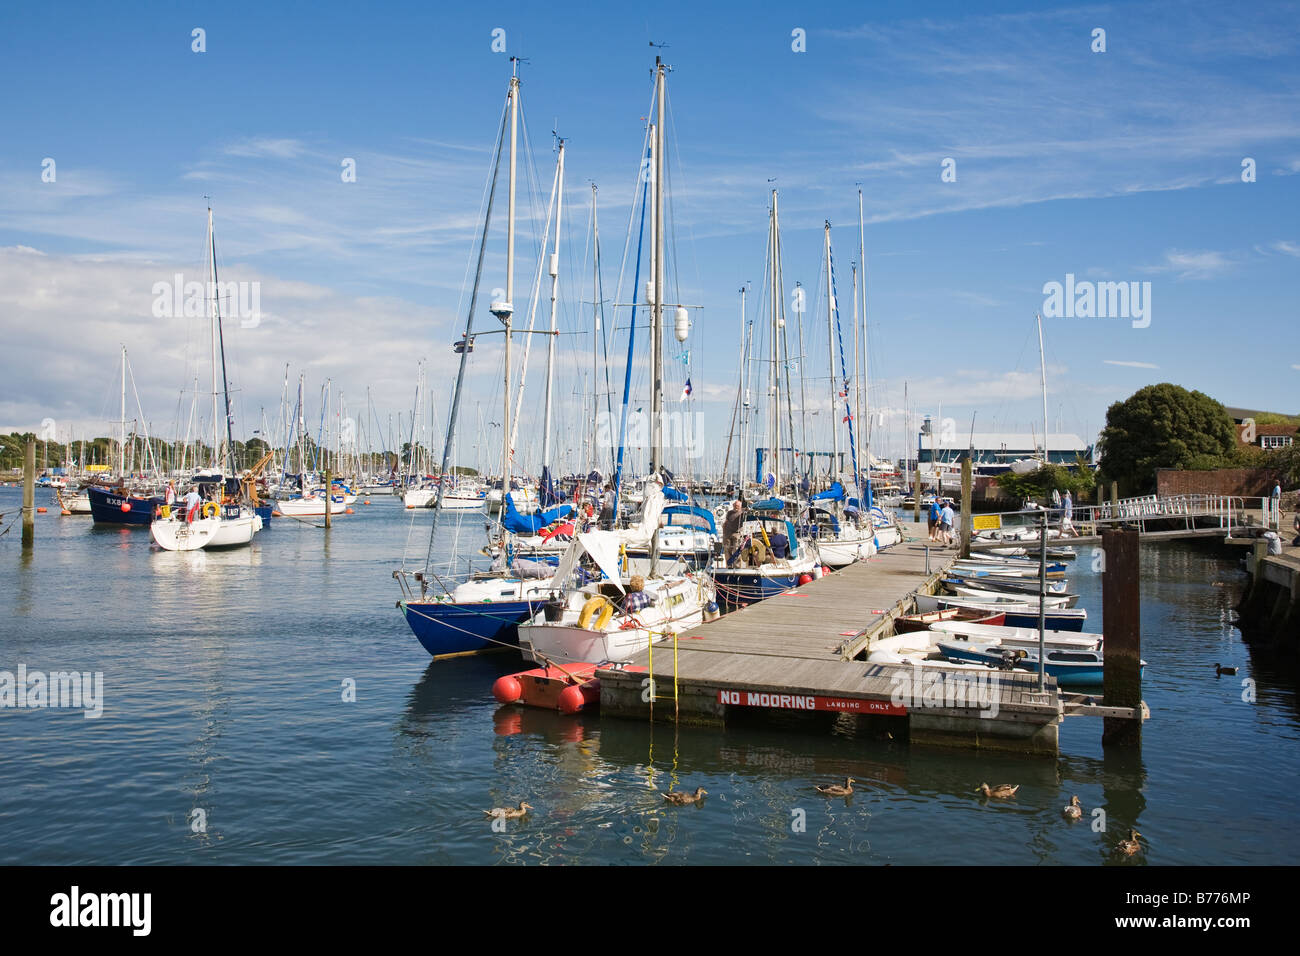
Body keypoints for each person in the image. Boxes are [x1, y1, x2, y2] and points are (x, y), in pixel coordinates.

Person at [722, 500, 743, 567]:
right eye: (735, 505)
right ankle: (729, 565)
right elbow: (727, 521)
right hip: (727, 533)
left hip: (737, 533)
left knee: (736, 549)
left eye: (737, 506)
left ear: (740, 506)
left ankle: (737, 565)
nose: (735, 507)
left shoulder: (742, 513)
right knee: (727, 549)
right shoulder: (729, 513)